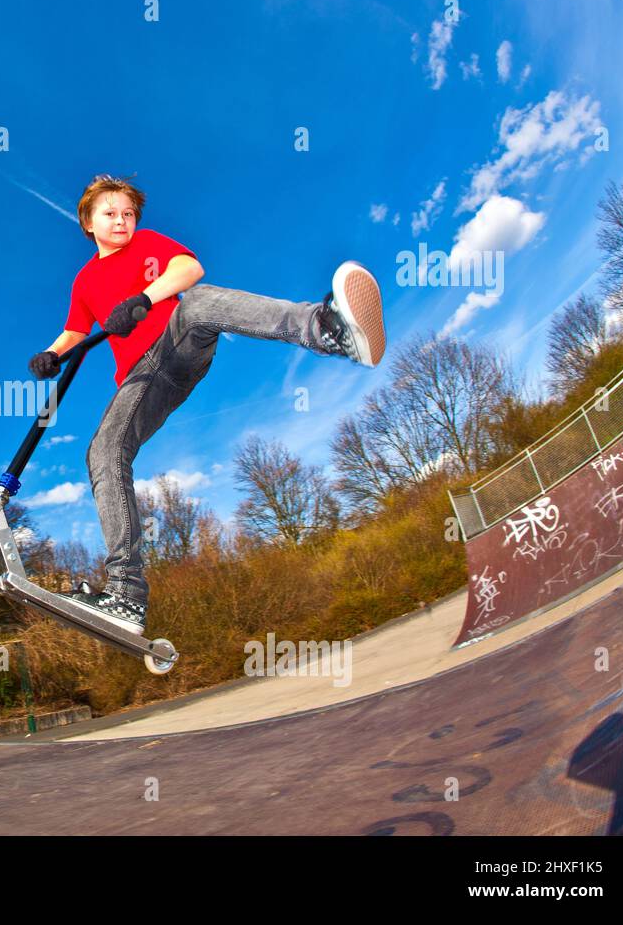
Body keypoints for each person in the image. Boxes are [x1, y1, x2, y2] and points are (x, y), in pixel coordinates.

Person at [28, 174, 386, 636]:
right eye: (110, 214)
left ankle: (326, 328)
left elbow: (188, 271)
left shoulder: (146, 246)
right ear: (88, 223)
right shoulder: (84, 280)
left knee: (195, 303)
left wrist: (144, 297)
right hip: (140, 381)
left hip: (178, 347)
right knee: (102, 452)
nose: (122, 221)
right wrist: (53, 354)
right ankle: (125, 596)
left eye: (129, 213)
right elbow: (76, 331)